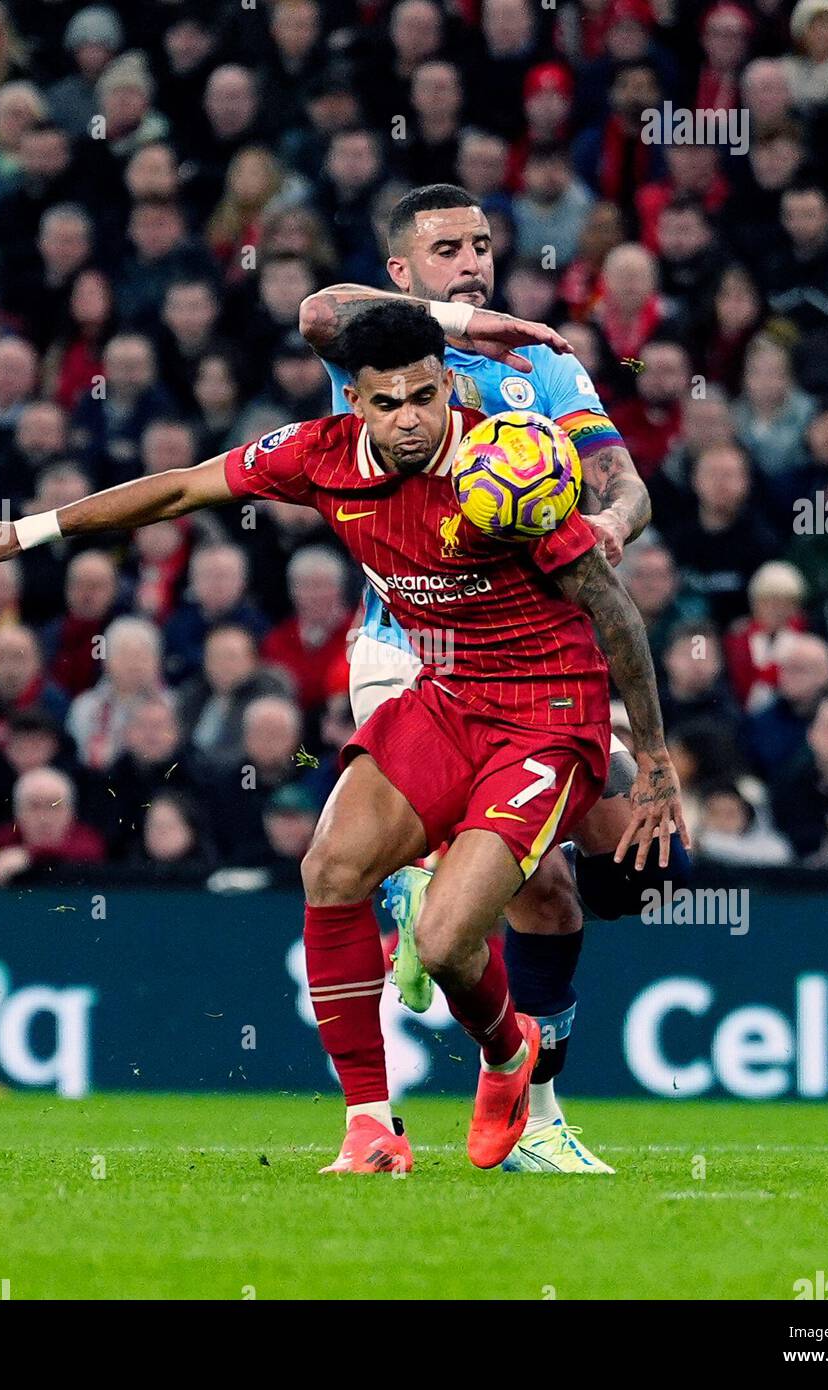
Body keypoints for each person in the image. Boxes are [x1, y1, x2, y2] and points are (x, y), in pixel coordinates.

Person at [0, 300, 686, 1177]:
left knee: (445, 944)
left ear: (447, 386)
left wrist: (658, 756)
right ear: (355, 403)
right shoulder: (317, 455)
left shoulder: (504, 468)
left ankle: (507, 1057)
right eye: (388, 402)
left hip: (548, 717)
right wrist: (25, 532)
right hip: (445, 697)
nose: (411, 420)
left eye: (426, 397)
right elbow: (180, 487)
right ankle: (371, 1126)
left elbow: (614, 609)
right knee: (329, 869)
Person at [299, 183, 688, 1174]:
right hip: (405, 654)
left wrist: (610, 524)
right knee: (480, 881)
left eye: (480, 244)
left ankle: (535, 1109)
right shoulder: (379, 358)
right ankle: (416, 877)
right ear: (403, 273)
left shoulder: (544, 367)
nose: (469, 260)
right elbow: (317, 310)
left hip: (529, 662)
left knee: (600, 884)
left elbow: (623, 482)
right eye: (444, 250)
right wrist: (459, 321)